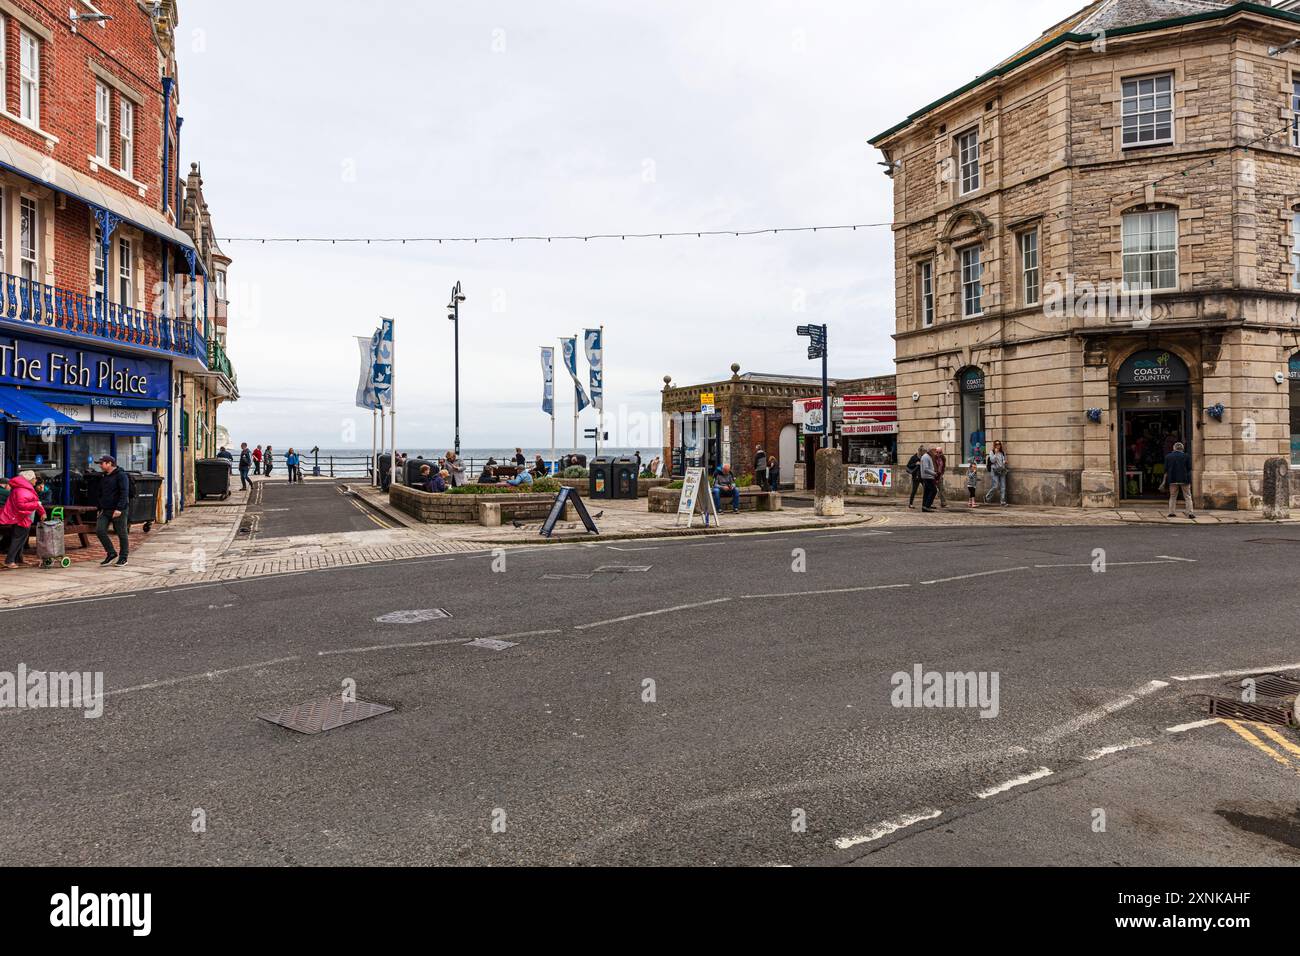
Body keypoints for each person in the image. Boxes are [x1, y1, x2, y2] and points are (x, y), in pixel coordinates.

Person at [0, 471, 46, 569]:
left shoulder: (26, 488)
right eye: (34, 478)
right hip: (21, 518)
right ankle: (9, 561)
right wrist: (37, 505)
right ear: (29, 479)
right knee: (18, 539)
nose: (36, 480)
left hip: (24, 518)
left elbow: (35, 501)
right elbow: (21, 505)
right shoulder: (22, 490)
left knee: (21, 539)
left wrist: (42, 511)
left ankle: (18, 559)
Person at [94, 456, 130, 567]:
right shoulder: (104, 476)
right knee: (99, 530)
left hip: (118, 510)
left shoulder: (121, 475)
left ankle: (123, 557)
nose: (100, 465)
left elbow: (124, 493)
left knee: (121, 533)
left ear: (109, 463)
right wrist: (100, 508)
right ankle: (111, 553)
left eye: (102, 463)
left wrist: (119, 508)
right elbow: (101, 493)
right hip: (105, 510)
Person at [1164, 441, 1195, 519]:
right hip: (1184, 479)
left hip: (1172, 479)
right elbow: (1189, 468)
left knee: (1173, 496)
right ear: (1182, 449)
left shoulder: (1168, 456)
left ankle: (1171, 512)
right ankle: (1190, 513)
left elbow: (1165, 469)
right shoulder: (1186, 456)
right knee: (1187, 496)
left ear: (1174, 448)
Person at [985, 440, 1009, 507]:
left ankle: (1002, 501)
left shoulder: (1002, 452)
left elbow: (1003, 461)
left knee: (1003, 486)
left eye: (999, 444)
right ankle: (987, 497)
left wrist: (1005, 462)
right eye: (996, 444)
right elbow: (992, 460)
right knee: (995, 486)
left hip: (1002, 470)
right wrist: (995, 453)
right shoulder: (992, 452)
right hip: (994, 470)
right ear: (994, 445)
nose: (998, 445)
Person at [919, 447, 938, 513]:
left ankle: (925, 506)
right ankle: (927, 506)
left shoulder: (927, 457)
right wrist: (934, 473)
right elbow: (926, 469)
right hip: (928, 477)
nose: (935, 453)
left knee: (927, 492)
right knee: (934, 491)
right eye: (934, 452)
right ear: (930, 451)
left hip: (928, 477)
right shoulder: (926, 457)